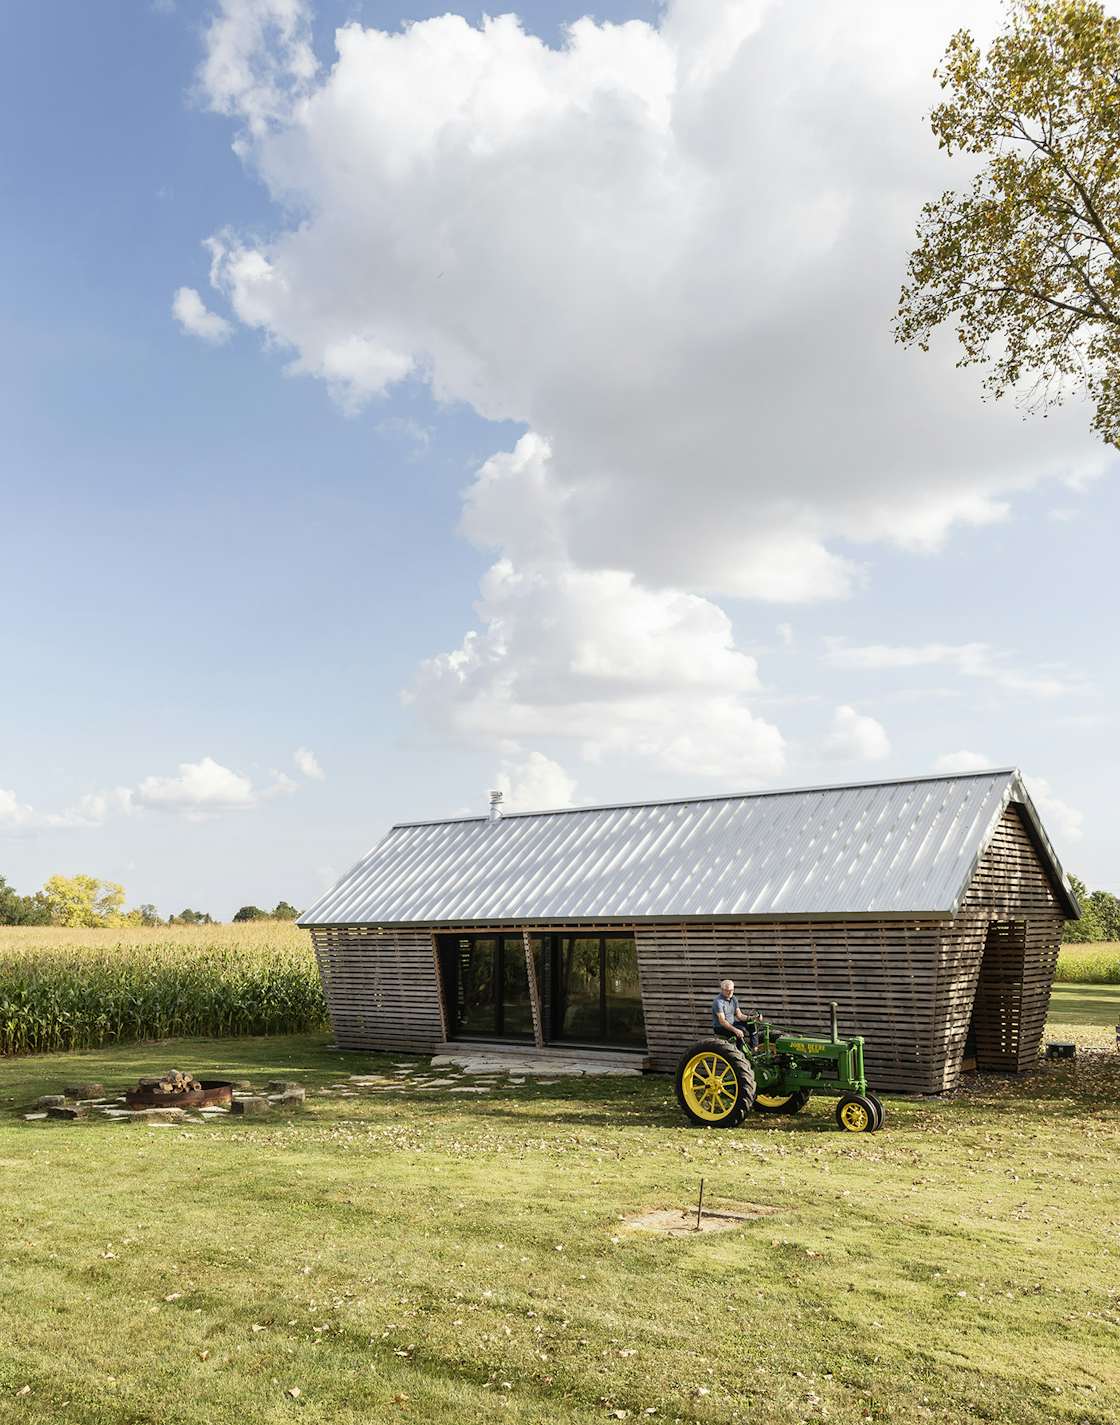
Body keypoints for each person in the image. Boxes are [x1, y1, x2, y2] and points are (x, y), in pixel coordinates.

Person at [711, 978, 751, 1044]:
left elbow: (740, 1016)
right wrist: (735, 1030)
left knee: (751, 1024)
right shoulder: (718, 1002)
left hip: (732, 1023)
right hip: (720, 1027)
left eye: (731, 990)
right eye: (727, 990)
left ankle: (755, 1048)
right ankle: (739, 1052)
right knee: (741, 1030)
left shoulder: (733, 998)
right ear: (722, 990)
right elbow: (722, 1021)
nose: (730, 992)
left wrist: (752, 1018)